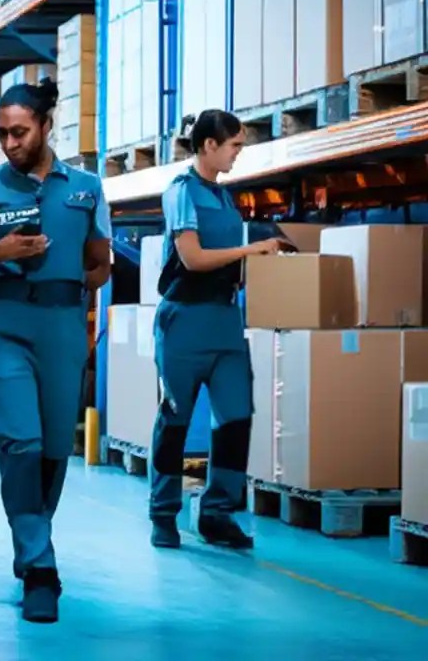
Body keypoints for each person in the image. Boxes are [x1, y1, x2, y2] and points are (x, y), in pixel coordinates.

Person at [0, 78, 111, 623]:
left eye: (19, 132)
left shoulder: (86, 189)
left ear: (45, 125)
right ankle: (40, 568)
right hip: (2, 323)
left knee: (51, 453)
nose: (9, 143)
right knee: (20, 443)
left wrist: (78, 278)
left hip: (62, 326)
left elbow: (101, 261)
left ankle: (33, 538)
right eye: (1, 134)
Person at [149, 109, 281, 550]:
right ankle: (163, 515)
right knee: (175, 420)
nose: (238, 153)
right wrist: (252, 248)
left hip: (225, 322)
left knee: (236, 418)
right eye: (234, 145)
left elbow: (228, 260)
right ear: (209, 145)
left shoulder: (224, 197)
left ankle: (217, 513)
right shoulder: (180, 192)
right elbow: (192, 259)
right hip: (184, 320)